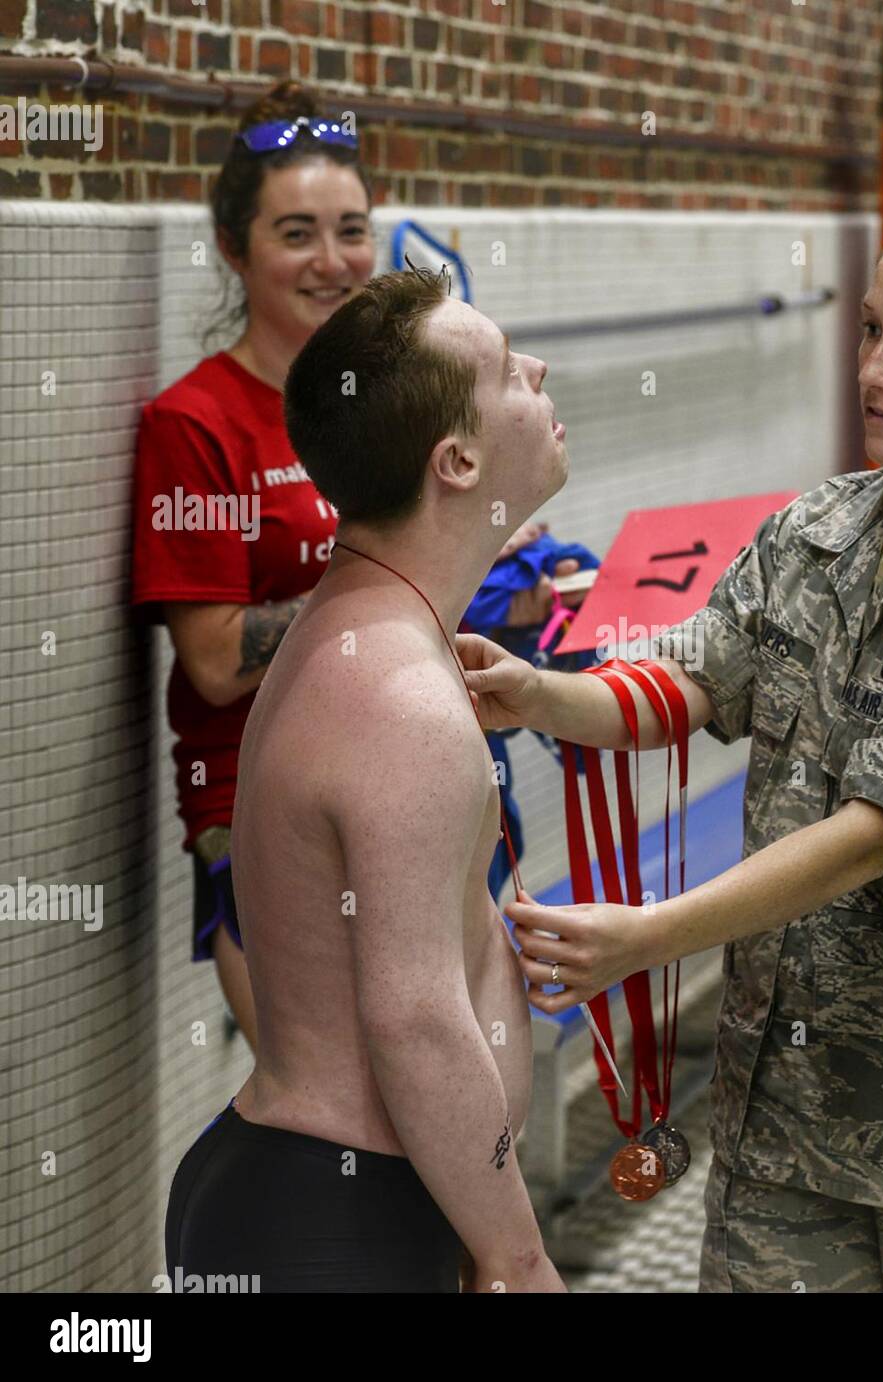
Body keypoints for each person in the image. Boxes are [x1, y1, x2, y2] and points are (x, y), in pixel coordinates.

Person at [460, 207, 883, 1293]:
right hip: (787, 1136)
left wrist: (649, 936)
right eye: (869, 329)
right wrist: (535, 692)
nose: (873, 367)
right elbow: (691, 676)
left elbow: (866, 839)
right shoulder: (815, 529)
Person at [131, 80, 579, 1050]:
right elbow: (211, 660)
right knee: (338, 1117)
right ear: (232, 246)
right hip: (269, 809)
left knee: (454, 1093)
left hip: (419, 776)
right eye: (296, 233)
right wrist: (403, 577)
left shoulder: (402, 398)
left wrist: (508, 586)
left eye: (352, 229)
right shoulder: (194, 423)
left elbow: (423, 588)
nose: (332, 261)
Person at [164, 265, 570, 1292]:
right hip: (336, 1225)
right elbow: (414, 1017)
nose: (539, 370)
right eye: (510, 372)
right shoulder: (399, 697)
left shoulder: (358, 634)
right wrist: (517, 1254)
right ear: (459, 460)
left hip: (327, 1200)